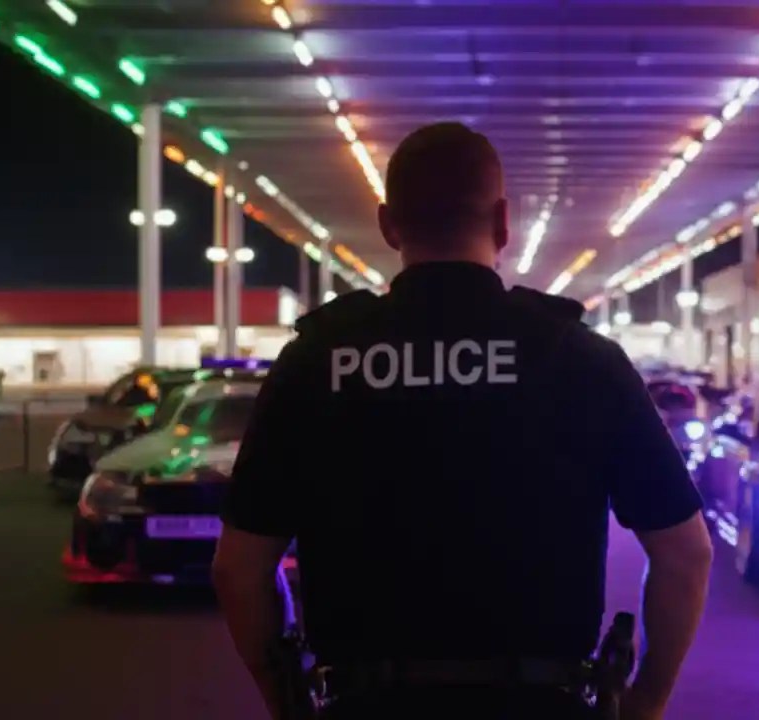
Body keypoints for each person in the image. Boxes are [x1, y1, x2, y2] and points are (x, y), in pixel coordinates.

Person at [212, 122, 712, 720]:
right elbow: (686, 554)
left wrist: (285, 701)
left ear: (388, 224)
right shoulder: (577, 357)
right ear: (503, 223)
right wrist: (646, 700)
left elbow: (240, 569)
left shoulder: (316, 361)